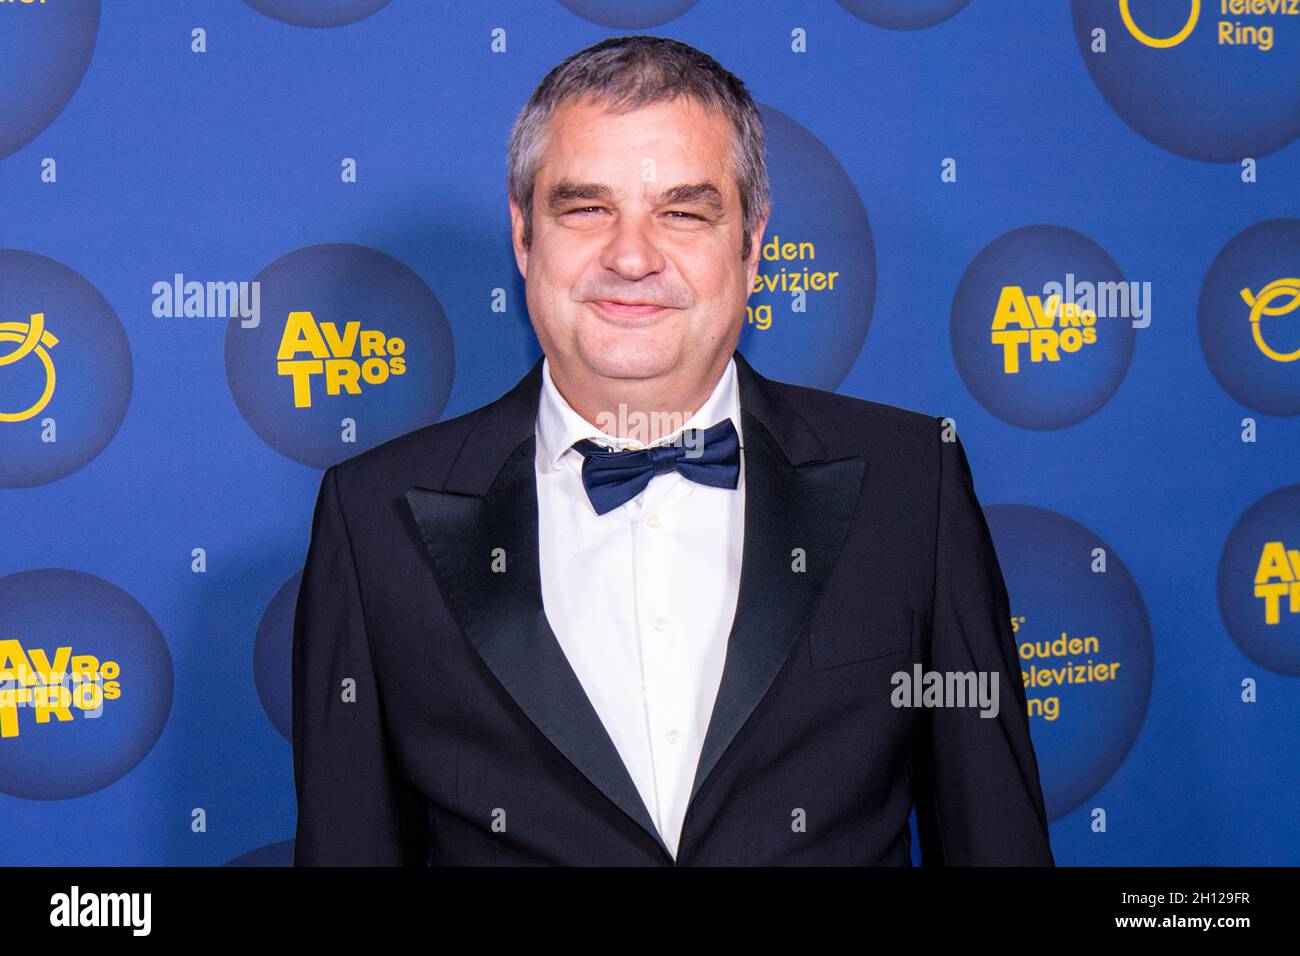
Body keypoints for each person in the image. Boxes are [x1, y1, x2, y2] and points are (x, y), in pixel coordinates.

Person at [292, 35, 1054, 866]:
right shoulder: (373, 521)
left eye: (683, 212)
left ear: (753, 246)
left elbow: (994, 840)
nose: (631, 255)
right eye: (587, 209)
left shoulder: (912, 484)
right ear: (523, 238)